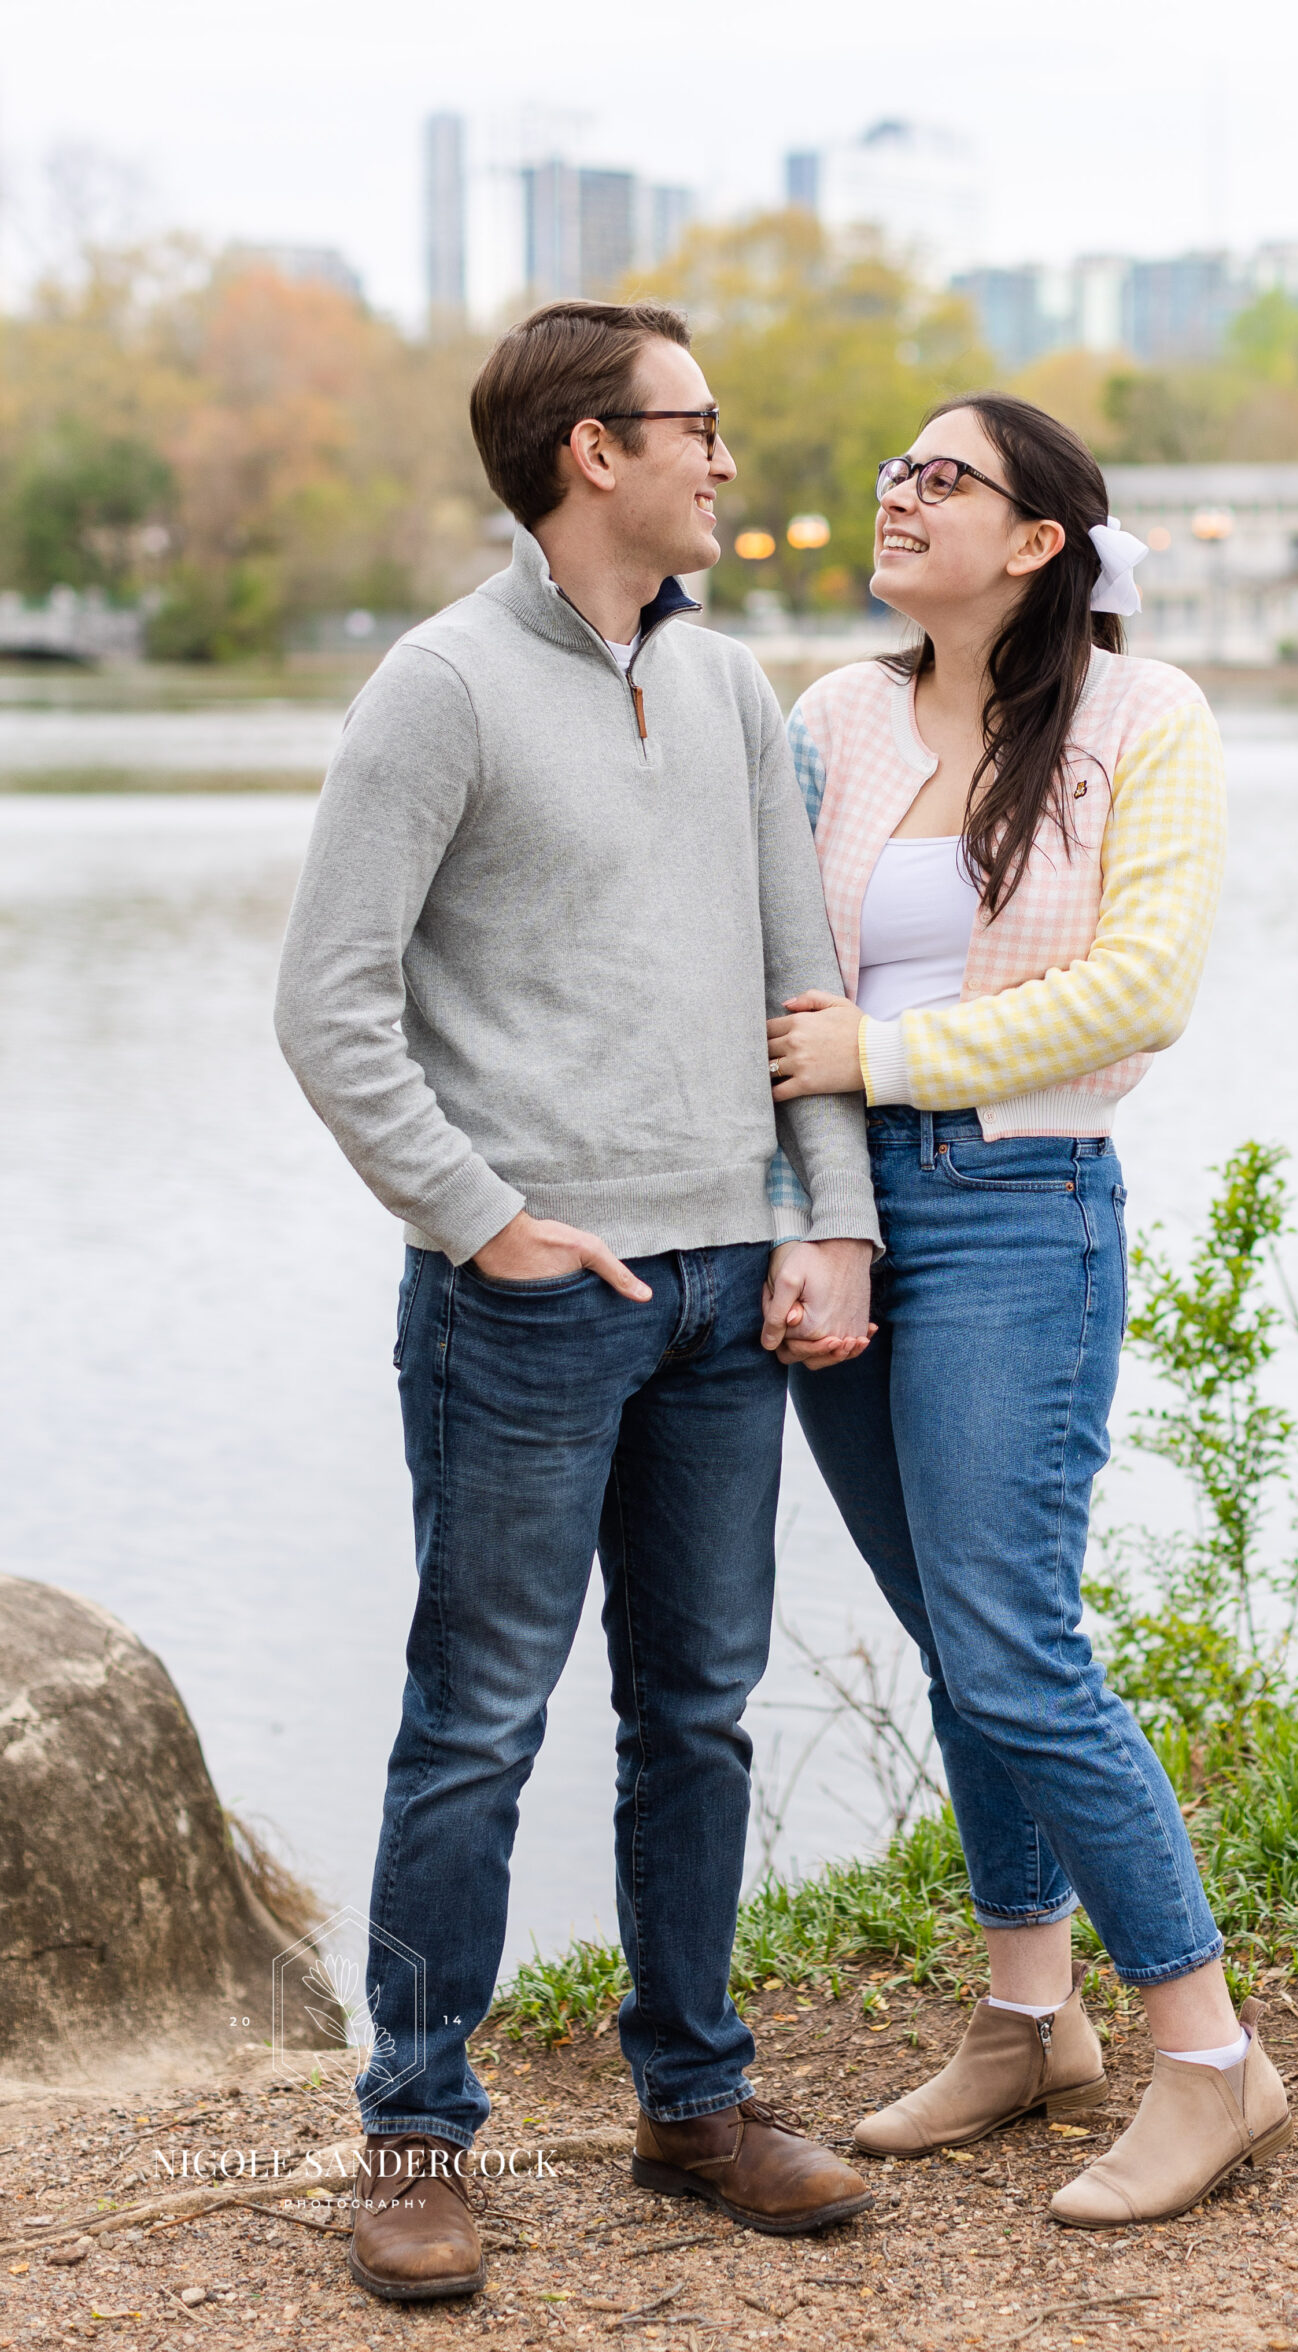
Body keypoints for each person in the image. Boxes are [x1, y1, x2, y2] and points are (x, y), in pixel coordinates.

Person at [275, 299, 882, 2306]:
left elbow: (801, 989)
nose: (727, 458)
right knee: (476, 1718)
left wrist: (827, 1219)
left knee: (694, 1711)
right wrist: (481, 1219)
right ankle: (413, 2131)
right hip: (528, 1305)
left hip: (724, 1294)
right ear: (589, 452)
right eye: (694, 425)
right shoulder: (439, 687)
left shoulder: (725, 685)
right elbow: (329, 1006)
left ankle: (692, 2099)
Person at [762, 393, 1293, 2227]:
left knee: (1012, 1645)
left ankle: (1211, 2060)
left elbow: (1140, 988)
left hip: (1017, 1208)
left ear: (1040, 539)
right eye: (891, 470)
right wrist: (813, 1214)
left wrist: (889, 1056)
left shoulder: (1147, 718)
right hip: (851, 1214)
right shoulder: (831, 718)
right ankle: (1026, 2018)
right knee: (949, 1637)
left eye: (944, 478)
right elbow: (776, 990)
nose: (898, 497)